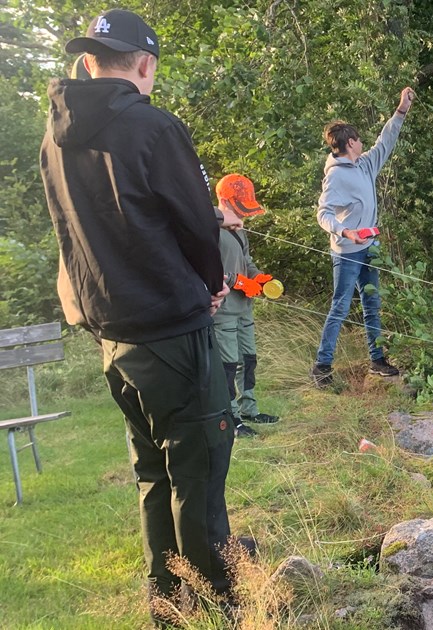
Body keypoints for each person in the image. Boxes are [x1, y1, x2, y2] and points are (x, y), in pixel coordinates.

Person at [39, 9, 238, 622]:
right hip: (172, 330)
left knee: (153, 473)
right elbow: (198, 224)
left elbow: (69, 235)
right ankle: (221, 605)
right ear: (145, 64)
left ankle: (168, 603)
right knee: (198, 470)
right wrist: (212, 284)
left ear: (89, 61)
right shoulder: (154, 128)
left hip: (113, 337)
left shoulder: (53, 138)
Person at [310, 86, 416, 387]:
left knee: (372, 303)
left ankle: (377, 359)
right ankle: (322, 366)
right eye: (358, 139)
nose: (362, 141)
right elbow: (323, 213)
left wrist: (401, 110)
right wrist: (345, 231)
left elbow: (386, 141)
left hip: (370, 246)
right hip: (347, 252)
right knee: (341, 305)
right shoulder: (336, 175)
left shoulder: (366, 164)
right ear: (349, 143)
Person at [214, 174, 281, 436]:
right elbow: (208, 270)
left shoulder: (239, 229)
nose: (241, 212)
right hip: (224, 311)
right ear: (223, 199)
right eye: (236, 205)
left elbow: (246, 259)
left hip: (244, 308)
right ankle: (229, 419)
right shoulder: (210, 229)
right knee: (228, 364)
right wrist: (237, 281)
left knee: (248, 359)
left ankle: (248, 409)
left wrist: (259, 278)